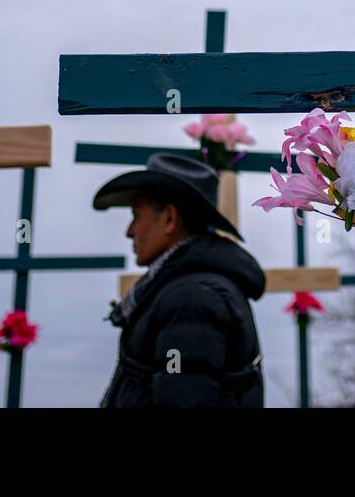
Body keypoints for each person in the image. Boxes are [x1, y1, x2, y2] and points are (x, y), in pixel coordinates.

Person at [93, 152, 266, 407]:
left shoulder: (191, 298)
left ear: (169, 219)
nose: (129, 231)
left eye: (136, 215)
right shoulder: (191, 290)